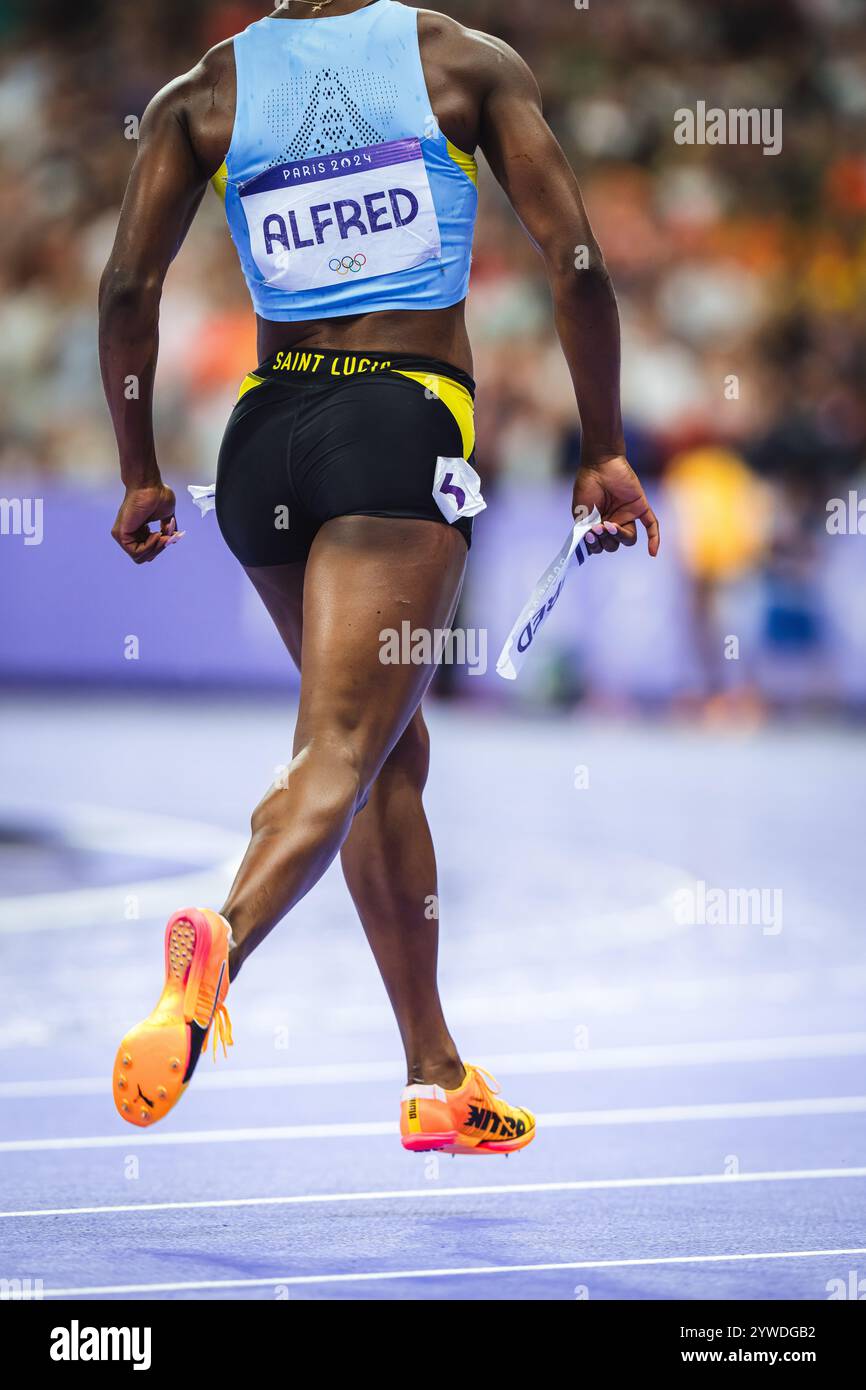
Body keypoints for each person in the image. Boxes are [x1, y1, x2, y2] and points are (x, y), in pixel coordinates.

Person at [99, 0, 660, 1156]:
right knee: (343, 751)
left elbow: (123, 293)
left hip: (260, 444)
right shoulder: (457, 63)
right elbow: (579, 264)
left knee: (381, 751)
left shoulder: (201, 95)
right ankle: (219, 945)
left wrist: (140, 473)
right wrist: (602, 443)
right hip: (396, 426)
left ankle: (434, 1074)